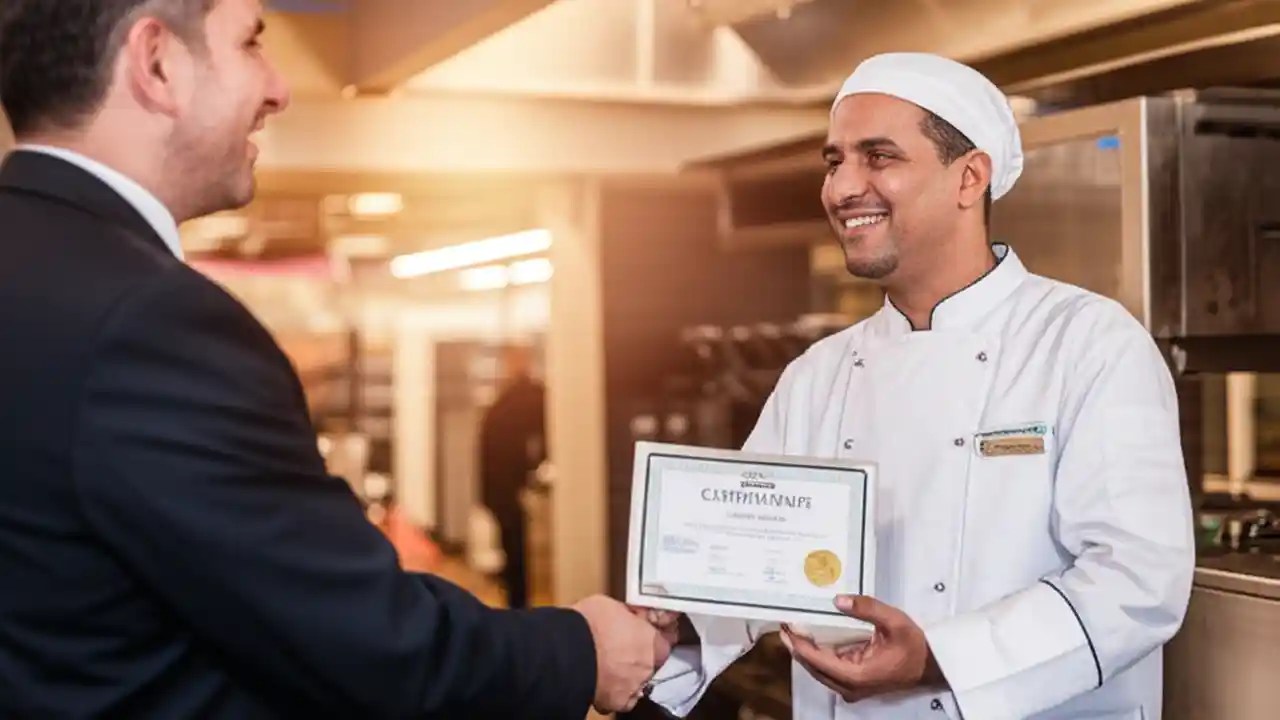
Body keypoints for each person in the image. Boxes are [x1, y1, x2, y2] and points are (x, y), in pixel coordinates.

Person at [0, 1, 668, 717]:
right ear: (157, 63)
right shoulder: (153, 322)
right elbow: (372, 644)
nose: (280, 88)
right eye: (252, 42)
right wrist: (583, 649)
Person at [641, 52, 1195, 719]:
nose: (842, 187)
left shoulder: (1089, 345)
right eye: (833, 160)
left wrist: (937, 658)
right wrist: (664, 637)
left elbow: (1136, 584)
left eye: (878, 157)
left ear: (970, 177)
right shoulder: (817, 378)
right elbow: (753, 566)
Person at [479, 344, 547, 609]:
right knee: (512, 549)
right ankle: (516, 603)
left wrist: (534, 468)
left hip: (513, 486)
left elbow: (542, 436)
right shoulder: (511, 395)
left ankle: (519, 605)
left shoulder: (528, 395)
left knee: (518, 551)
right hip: (503, 488)